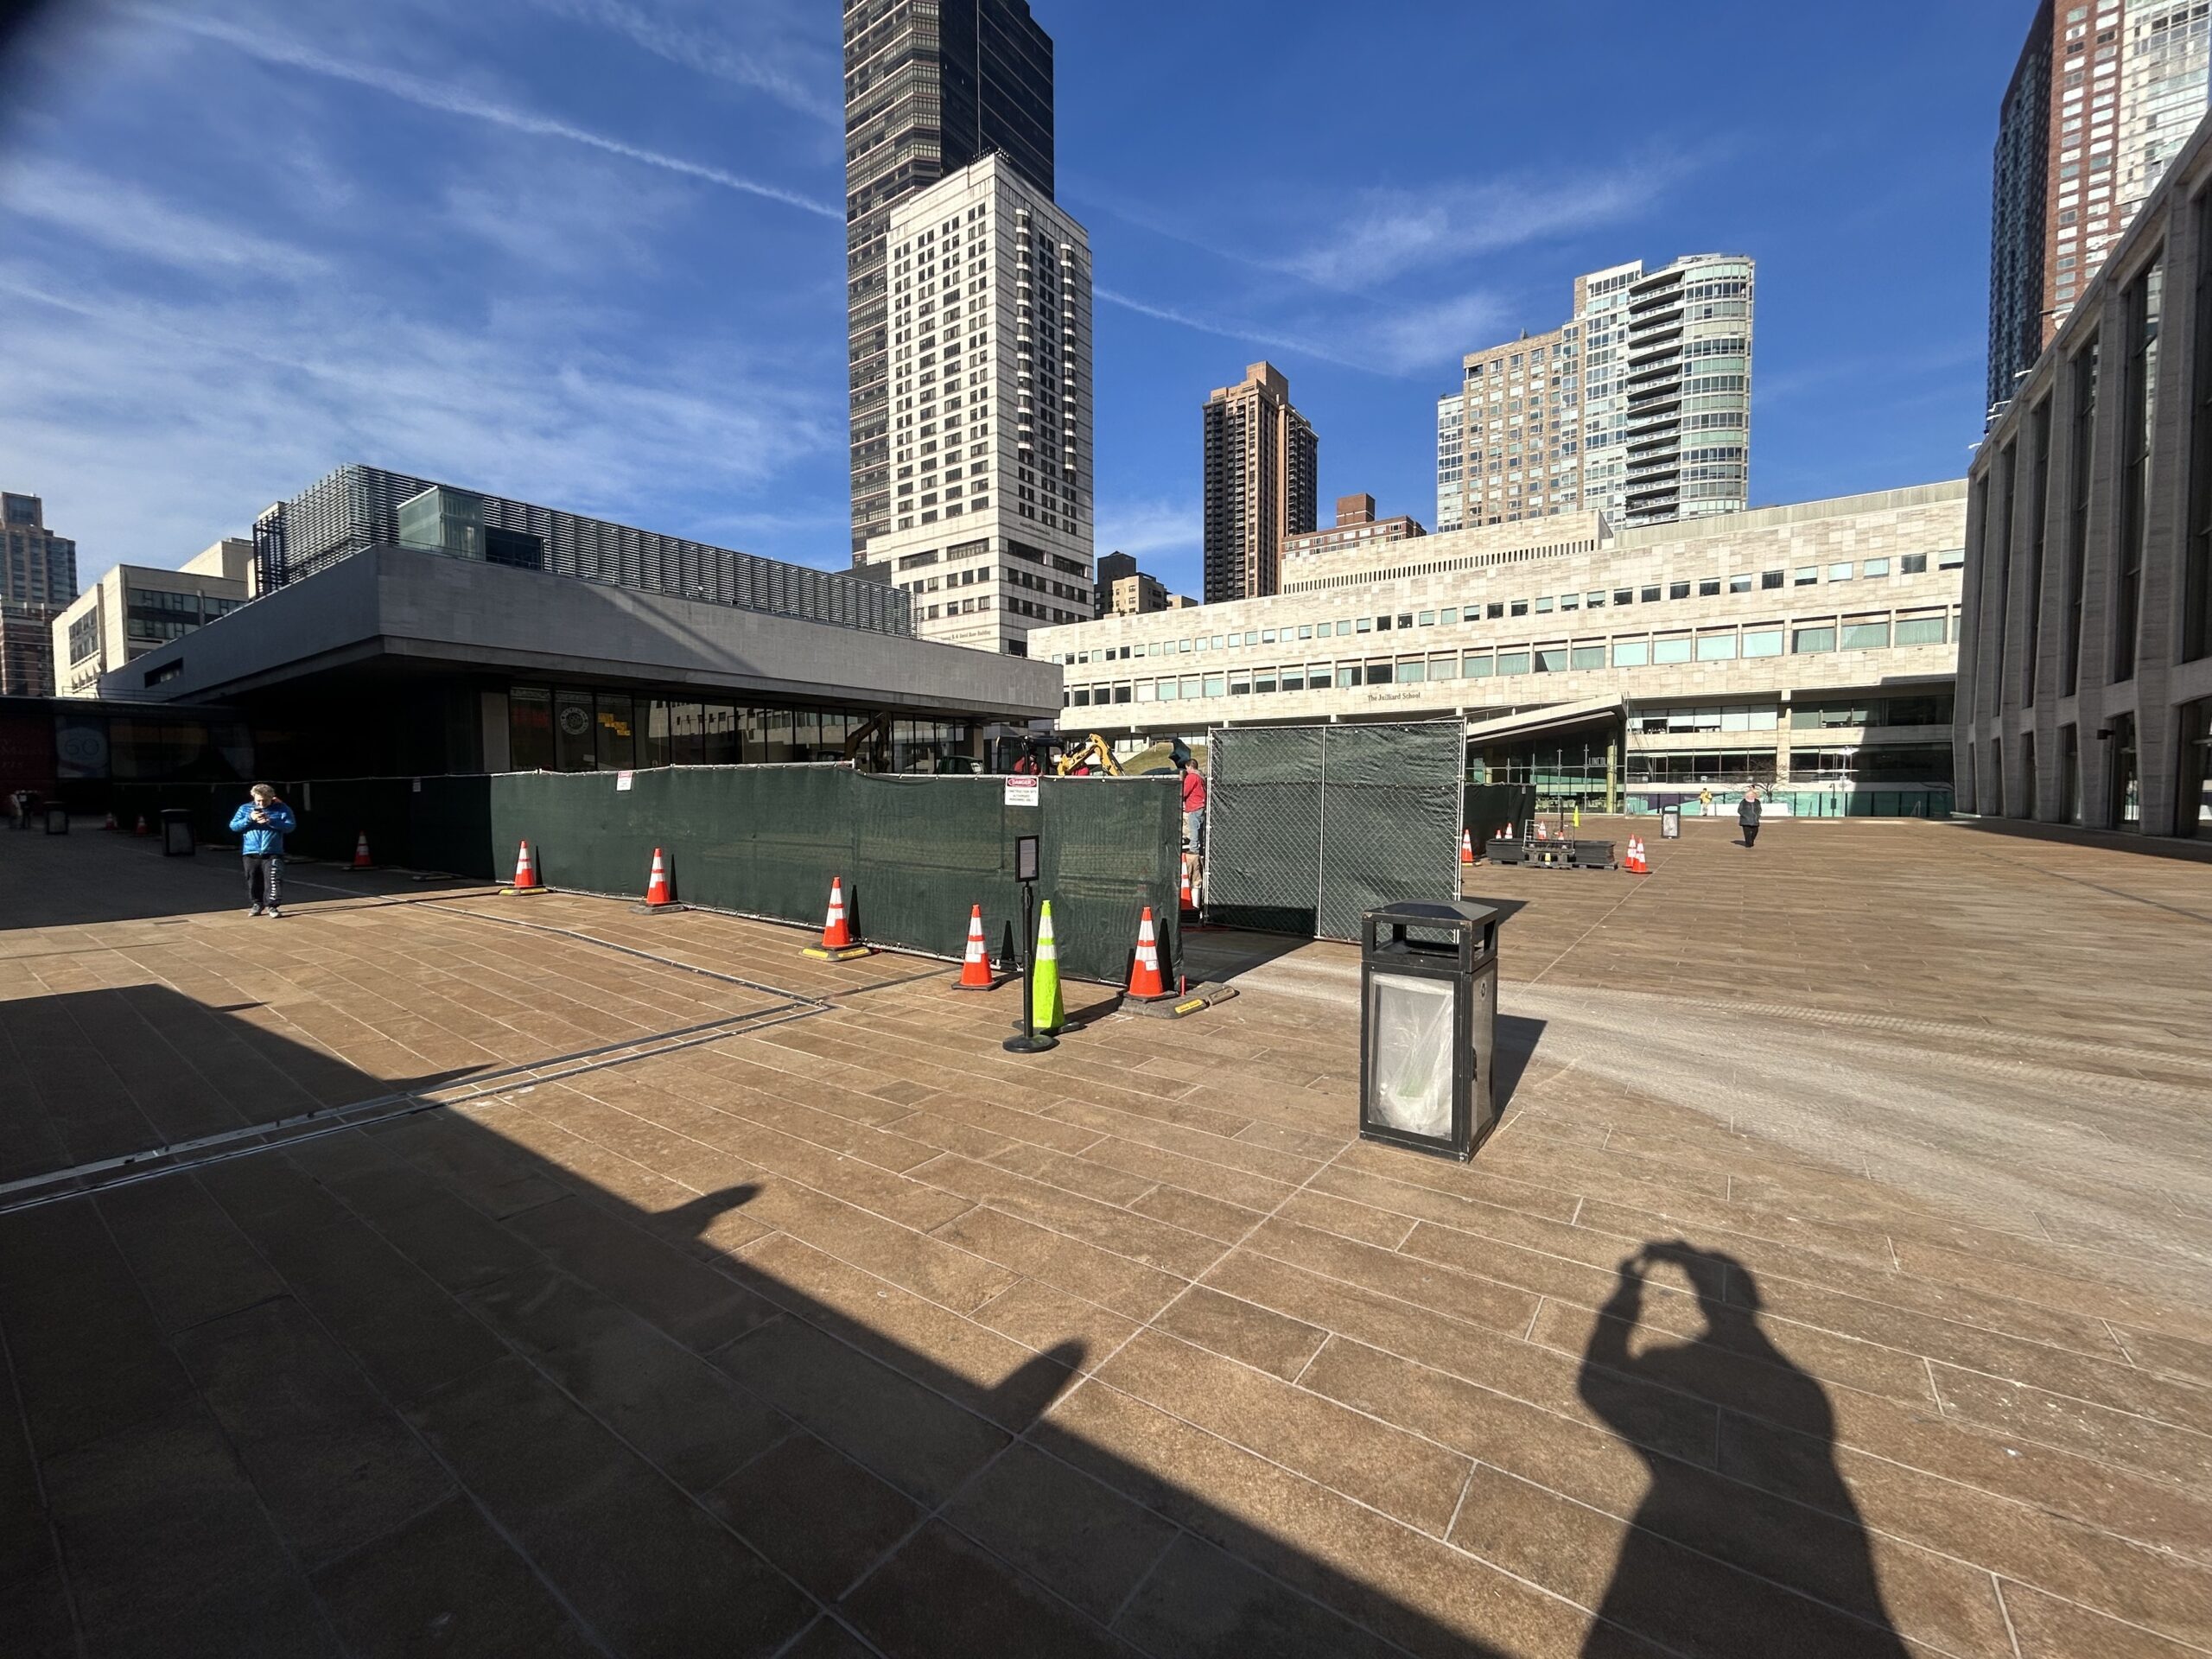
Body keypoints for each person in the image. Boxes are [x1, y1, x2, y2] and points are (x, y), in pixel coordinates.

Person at [228, 784, 296, 917]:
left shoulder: (282, 808)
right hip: (250, 851)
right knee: (253, 879)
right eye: (258, 800)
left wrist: (271, 821)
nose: (261, 803)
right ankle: (257, 904)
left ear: (272, 797)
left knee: (273, 878)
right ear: (253, 796)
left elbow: (290, 826)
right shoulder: (245, 809)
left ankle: (272, 906)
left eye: (265, 800)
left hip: (273, 851)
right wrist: (250, 818)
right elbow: (234, 826)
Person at [1175, 753, 1207, 859]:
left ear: (1190, 767)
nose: (1187, 770)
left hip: (1194, 806)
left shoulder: (1192, 777)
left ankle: (1194, 849)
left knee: (1194, 829)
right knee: (1199, 829)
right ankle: (1201, 847)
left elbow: (1184, 791)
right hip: (1201, 805)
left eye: (1187, 768)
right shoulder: (1201, 777)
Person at [1738, 785, 1763, 849]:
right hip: (1745, 820)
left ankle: (1751, 841)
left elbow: (1759, 809)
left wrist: (1758, 815)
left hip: (1755, 820)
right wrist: (1745, 816)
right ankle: (1748, 844)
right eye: (1749, 795)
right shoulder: (1743, 802)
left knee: (1755, 831)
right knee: (1747, 833)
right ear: (1747, 795)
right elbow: (1740, 810)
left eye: (1752, 795)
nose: (1751, 796)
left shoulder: (1757, 802)